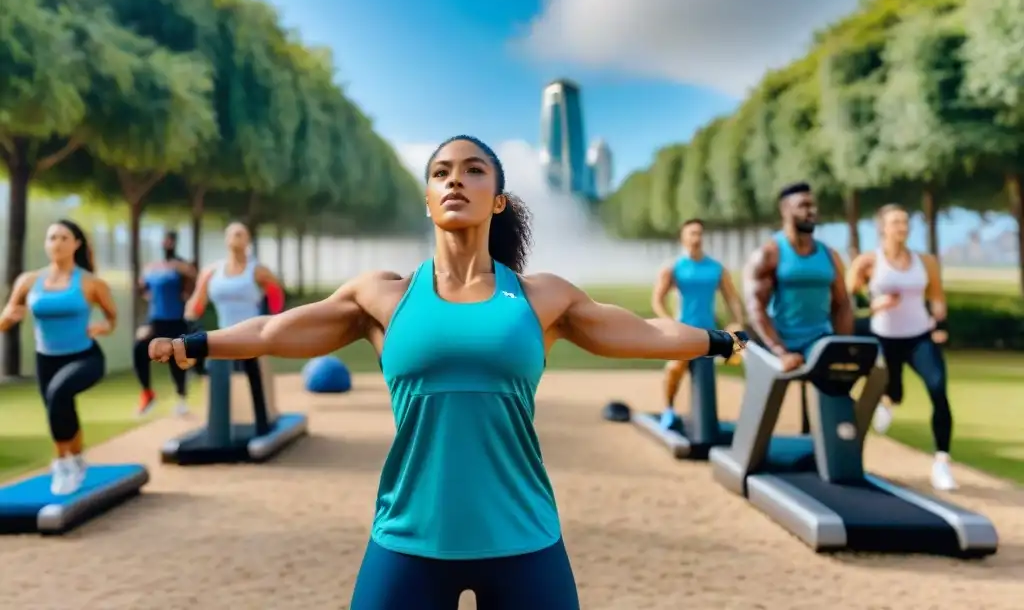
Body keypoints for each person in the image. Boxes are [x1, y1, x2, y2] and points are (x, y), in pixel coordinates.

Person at [150, 135, 747, 610]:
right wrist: (194, 344)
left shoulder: (540, 298)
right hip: (409, 536)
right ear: (429, 199)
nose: (455, 179)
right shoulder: (383, 297)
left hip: (523, 536)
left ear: (498, 200)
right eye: (441, 172)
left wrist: (723, 340)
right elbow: (272, 331)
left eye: (473, 170)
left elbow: (647, 333)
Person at [0, 220, 117, 495]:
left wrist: (102, 327)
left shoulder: (91, 283)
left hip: (85, 357)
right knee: (60, 407)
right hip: (46, 360)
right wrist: (8, 318)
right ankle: (77, 459)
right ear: (46, 243)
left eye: (64, 238)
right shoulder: (28, 281)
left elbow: (112, 318)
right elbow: (5, 319)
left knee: (59, 393)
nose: (57, 243)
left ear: (76, 244)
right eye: (52, 237)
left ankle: (62, 464)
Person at [846, 204, 957, 491]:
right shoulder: (868, 262)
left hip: (918, 337)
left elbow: (937, 297)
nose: (902, 227)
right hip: (884, 338)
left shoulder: (925, 262)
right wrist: (874, 305)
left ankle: (942, 462)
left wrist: (940, 325)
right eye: (896, 222)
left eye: (905, 222)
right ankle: (887, 401)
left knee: (938, 389)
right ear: (883, 228)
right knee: (894, 390)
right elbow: (848, 300)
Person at [743, 182, 853, 432]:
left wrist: (842, 345)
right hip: (780, 340)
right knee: (765, 401)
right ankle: (754, 440)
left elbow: (843, 304)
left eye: (813, 205)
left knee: (837, 393)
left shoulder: (829, 255)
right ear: (785, 210)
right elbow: (755, 307)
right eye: (803, 205)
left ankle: (825, 444)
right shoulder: (770, 253)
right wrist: (779, 351)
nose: (811, 211)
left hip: (818, 340)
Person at [184, 222, 285, 420]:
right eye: (232, 234)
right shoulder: (211, 272)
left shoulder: (258, 271)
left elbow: (277, 296)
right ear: (226, 239)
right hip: (225, 335)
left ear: (248, 240)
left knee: (257, 378)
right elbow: (195, 305)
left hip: (253, 336)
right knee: (219, 378)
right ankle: (221, 423)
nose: (236, 237)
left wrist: (274, 323)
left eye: (241, 234)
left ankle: (266, 417)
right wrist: (191, 324)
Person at [651, 218, 745, 429]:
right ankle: (668, 410)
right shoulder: (673, 267)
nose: (696, 238)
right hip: (683, 330)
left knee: (741, 353)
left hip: (709, 331)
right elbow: (657, 300)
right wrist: (669, 323)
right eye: (692, 233)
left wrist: (737, 322)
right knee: (675, 368)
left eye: (700, 233)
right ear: (683, 238)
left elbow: (731, 298)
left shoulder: (716, 268)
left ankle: (738, 418)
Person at [134, 229, 196, 416]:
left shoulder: (182, 266)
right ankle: (147, 394)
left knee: (176, 359)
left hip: (176, 320)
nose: (167, 243)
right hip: (155, 320)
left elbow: (193, 285)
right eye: (165, 240)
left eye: (170, 240)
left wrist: (186, 294)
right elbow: (143, 289)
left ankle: (181, 398)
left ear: (175, 243)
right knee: (139, 349)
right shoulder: (153, 267)